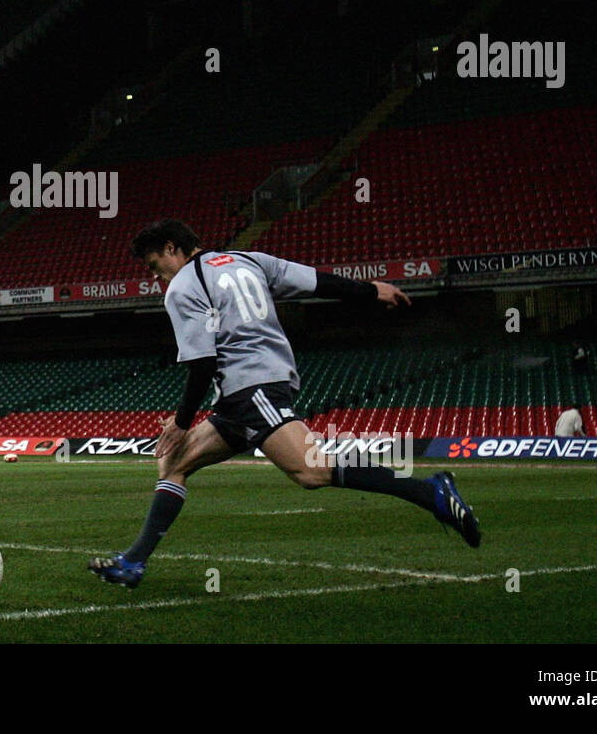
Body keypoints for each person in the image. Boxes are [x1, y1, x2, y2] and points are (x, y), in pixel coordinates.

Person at [89, 220, 481, 589]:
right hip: (245, 392)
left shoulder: (184, 287)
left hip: (252, 385)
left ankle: (431, 493)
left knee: (311, 472)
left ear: (171, 248)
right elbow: (313, 281)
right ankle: (133, 562)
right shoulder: (250, 260)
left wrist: (181, 421)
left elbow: (203, 362)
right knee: (173, 463)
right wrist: (370, 290)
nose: (157, 276)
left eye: (155, 264)